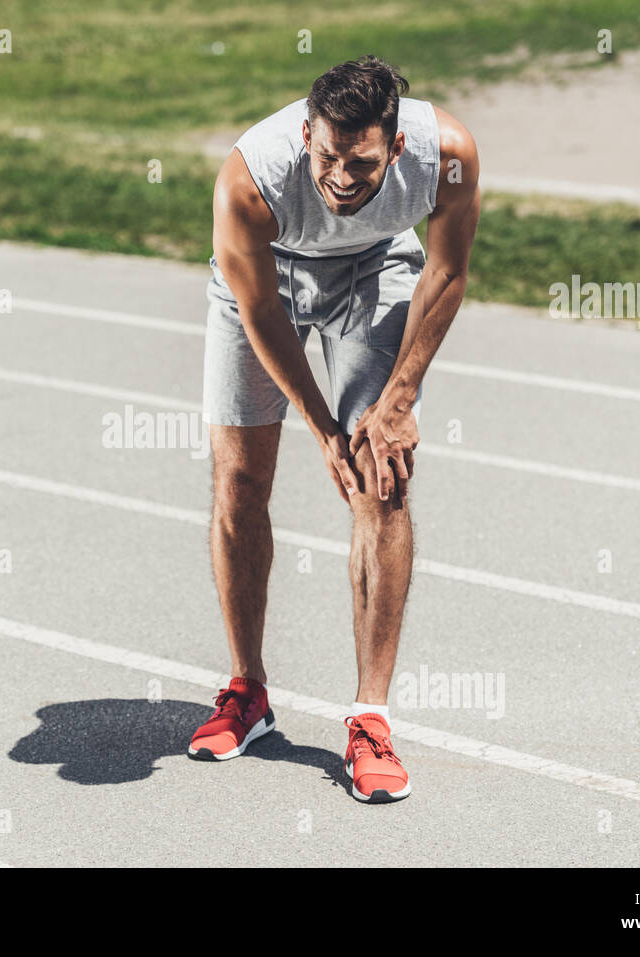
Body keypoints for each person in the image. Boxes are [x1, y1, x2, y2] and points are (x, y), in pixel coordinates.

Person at [188, 55, 480, 803]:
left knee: (382, 480)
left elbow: (445, 273)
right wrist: (322, 427)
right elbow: (259, 312)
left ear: (398, 148)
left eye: (362, 162)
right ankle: (246, 690)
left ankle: (370, 717)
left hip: (375, 271)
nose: (341, 178)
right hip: (267, 278)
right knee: (241, 478)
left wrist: (398, 401)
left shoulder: (448, 156)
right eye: (326, 157)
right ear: (306, 133)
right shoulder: (249, 182)